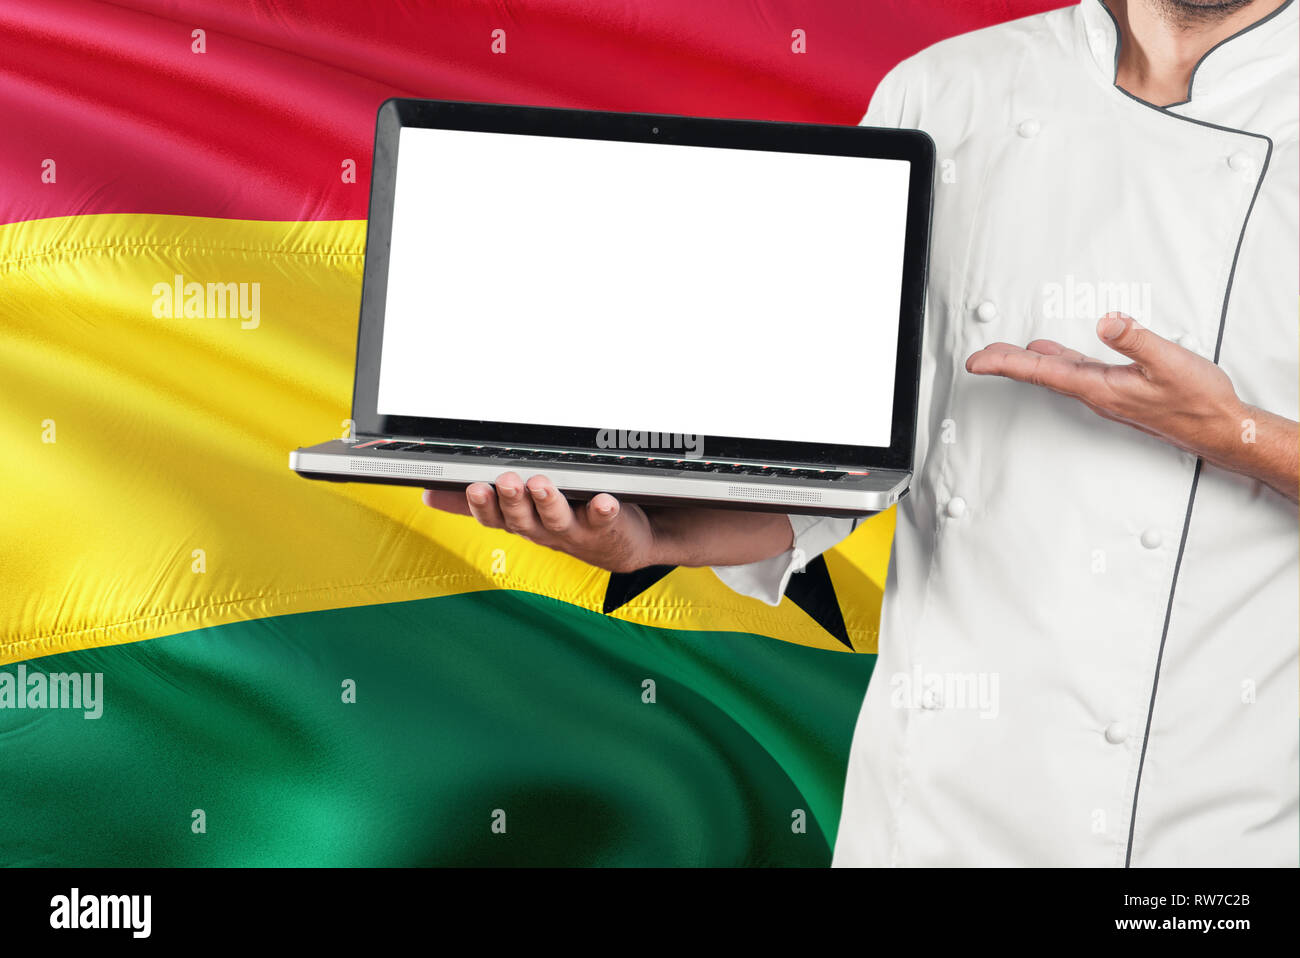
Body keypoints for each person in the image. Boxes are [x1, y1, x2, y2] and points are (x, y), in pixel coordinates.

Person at [424, 0, 1299, 866]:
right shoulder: (946, 91)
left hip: (1218, 833)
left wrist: (1236, 434)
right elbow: (845, 457)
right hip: (934, 820)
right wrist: (655, 536)